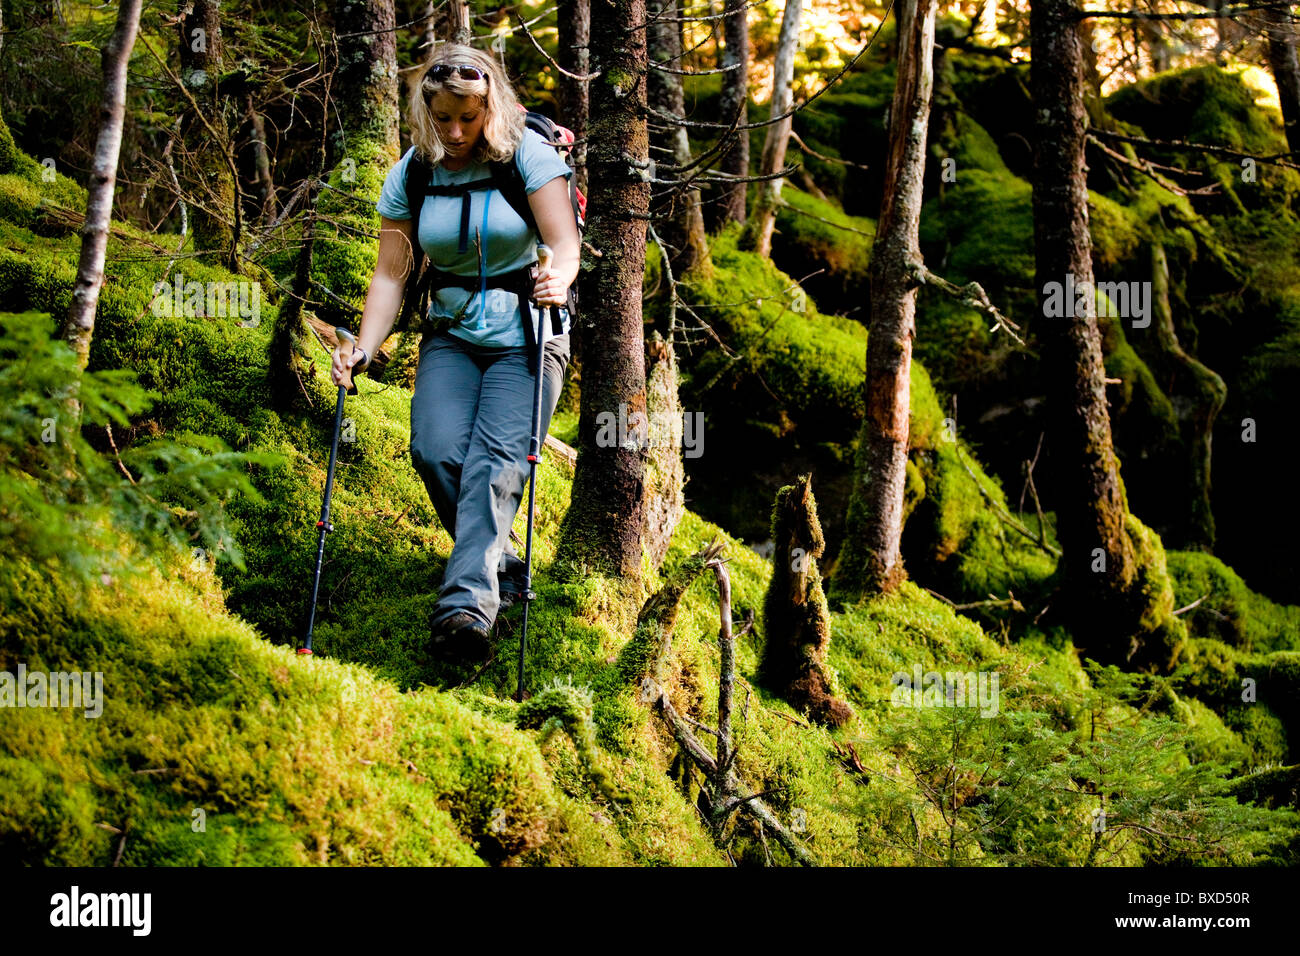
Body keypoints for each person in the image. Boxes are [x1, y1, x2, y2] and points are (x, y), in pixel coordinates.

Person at [330, 44, 580, 661]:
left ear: (490, 106)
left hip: (529, 332)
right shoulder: (413, 173)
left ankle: (466, 607)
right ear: (426, 112)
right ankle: (498, 561)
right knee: (435, 451)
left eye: (467, 117)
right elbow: (391, 275)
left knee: (494, 466)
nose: (456, 130)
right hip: (450, 332)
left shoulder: (529, 153)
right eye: (443, 118)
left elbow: (564, 242)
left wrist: (560, 277)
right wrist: (364, 346)